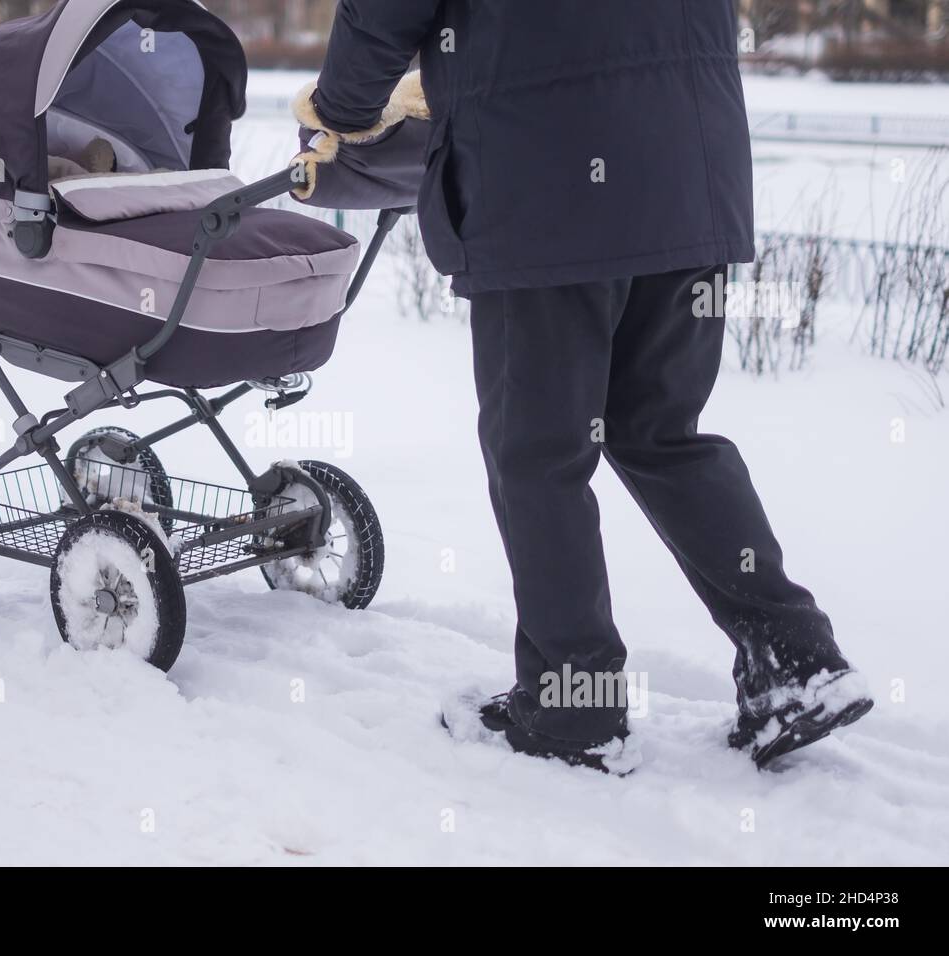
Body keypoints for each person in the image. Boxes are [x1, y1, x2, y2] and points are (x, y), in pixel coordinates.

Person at [296, 0, 872, 773]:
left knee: (539, 454)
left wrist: (340, 112)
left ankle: (575, 709)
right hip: (689, 171)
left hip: (545, 187)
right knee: (660, 430)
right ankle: (796, 659)